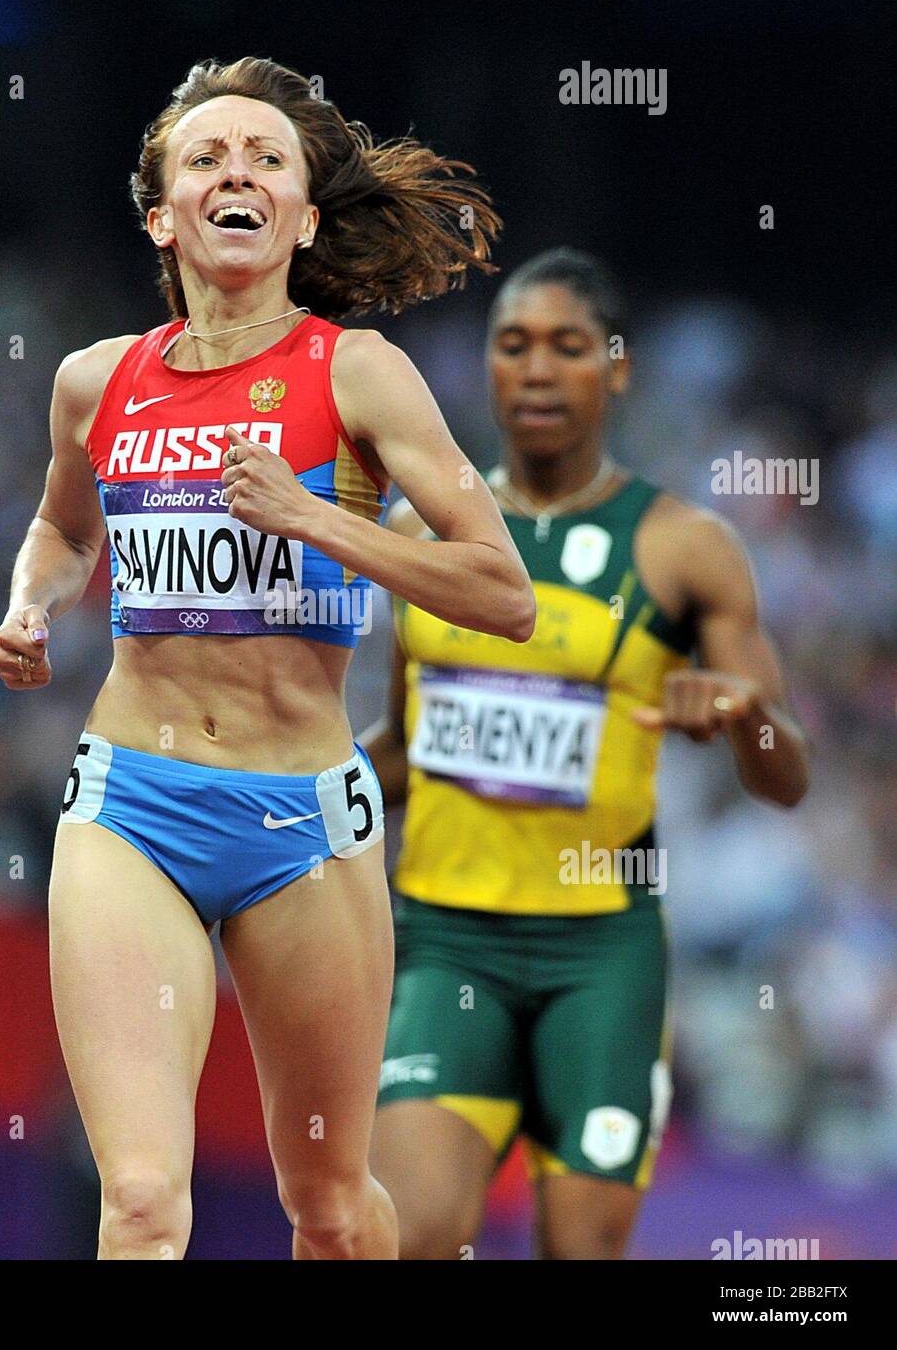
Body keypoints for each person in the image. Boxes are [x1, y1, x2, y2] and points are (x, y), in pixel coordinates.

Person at [0, 57, 535, 1261]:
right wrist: (33, 603)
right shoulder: (95, 382)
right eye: (206, 158)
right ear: (161, 213)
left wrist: (318, 517)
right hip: (131, 801)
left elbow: (504, 592)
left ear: (300, 215)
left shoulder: (357, 375)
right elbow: (64, 527)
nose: (236, 172)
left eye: (265, 161)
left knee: (331, 1211)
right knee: (138, 1201)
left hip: (304, 823)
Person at [365, 247, 810, 1259]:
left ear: (613, 368)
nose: (532, 369)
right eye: (510, 345)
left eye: (565, 347)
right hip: (447, 941)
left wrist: (744, 713)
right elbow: (404, 746)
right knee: (406, 1235)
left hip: (597, 960)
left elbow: (786, 774)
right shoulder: (419, 531)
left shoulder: (682, 547)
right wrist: (305, 787)